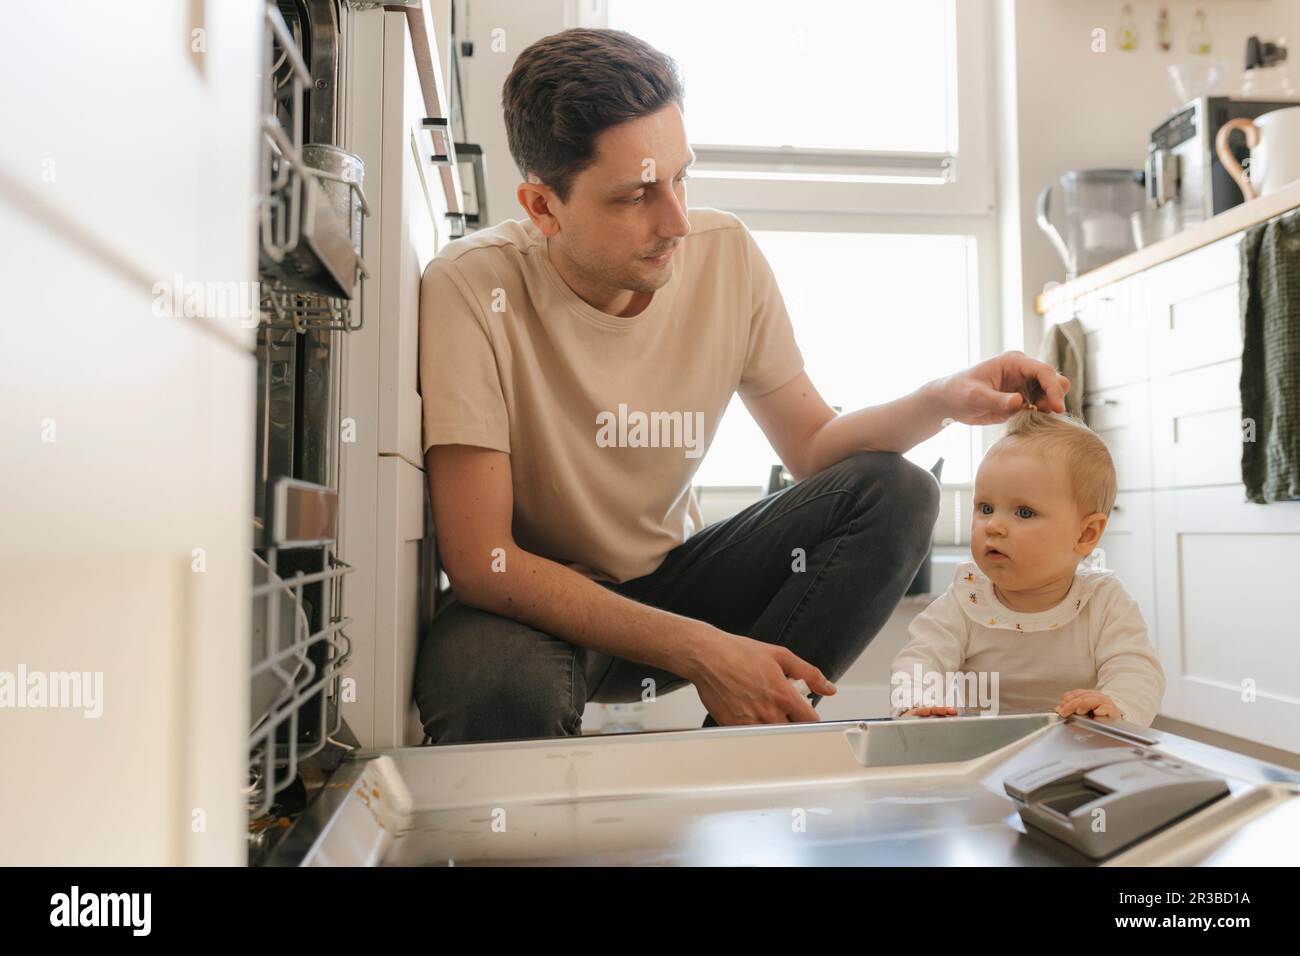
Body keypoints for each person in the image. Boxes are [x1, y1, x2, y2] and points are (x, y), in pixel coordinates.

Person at [414, 28, 1069, 743]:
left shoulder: (725, 257)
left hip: (670, 579)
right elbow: (483, 561)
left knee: (900, 491)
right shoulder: (471, 286)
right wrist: (703, 650)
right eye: (636, 194)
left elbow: (815, 446)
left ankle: (735, 755)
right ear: (543, 208)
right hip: (531, 608)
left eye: (680, 176)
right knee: (486, 681)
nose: (677, 221)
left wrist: (940, 398)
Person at [891, 410, 1165, 725]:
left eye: (1023, 512)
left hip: (1079, 745)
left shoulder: (1103, 601)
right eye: (985, 508)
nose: (993, 526)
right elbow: (921, 657)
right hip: (983, 751)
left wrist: (1114, 706)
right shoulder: (968, 597)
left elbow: (1137, 669)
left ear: (1085, 534)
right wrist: (917, 704)